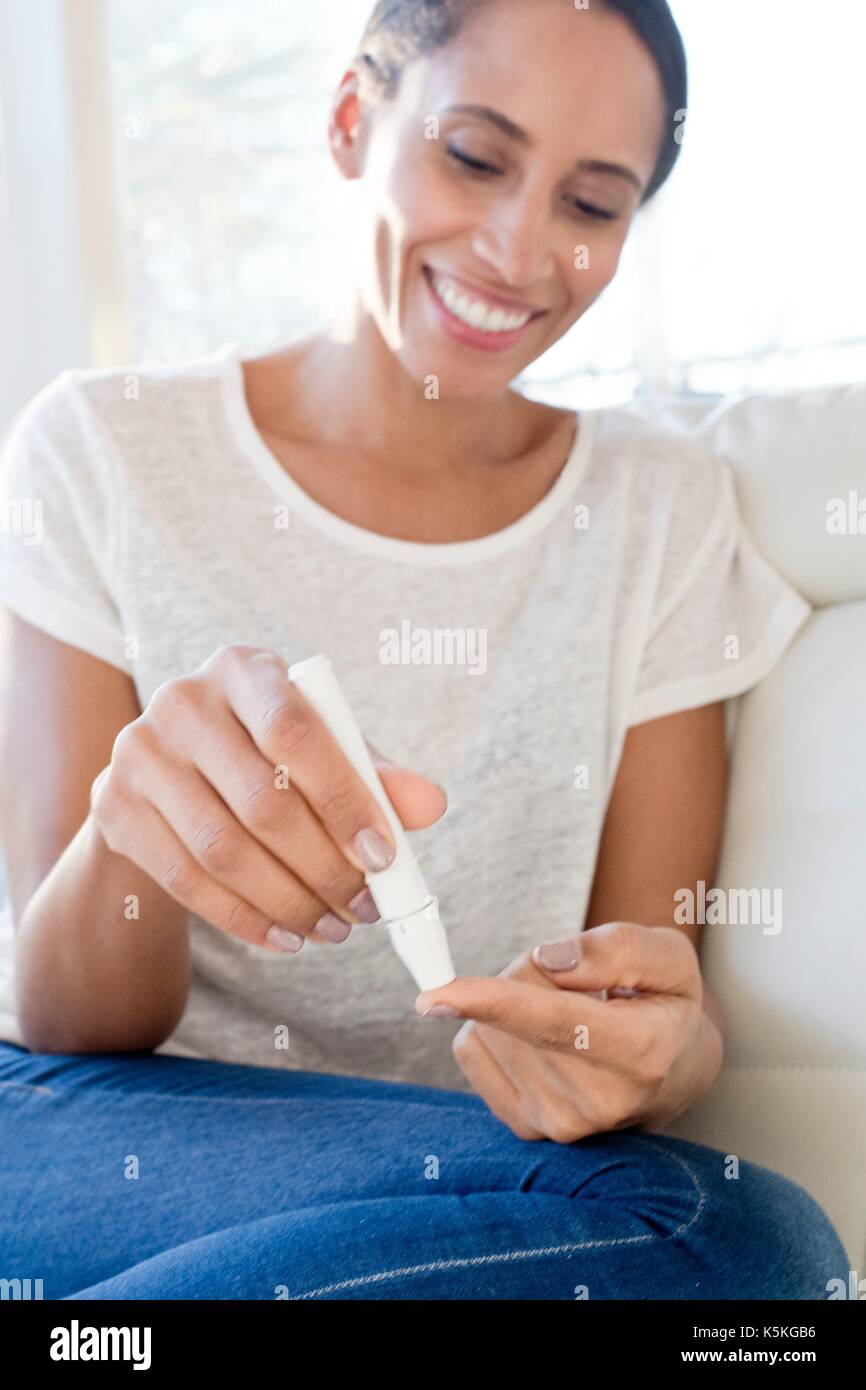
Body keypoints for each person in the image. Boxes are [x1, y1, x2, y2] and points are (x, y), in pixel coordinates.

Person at [0, 0, 847, 1299]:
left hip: (434, 1193)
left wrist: (662, 1058)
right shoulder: (102, 451)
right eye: (473, 155)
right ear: (352, 120)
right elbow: (69, 1023)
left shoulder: (656, 511)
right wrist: (137, 832)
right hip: (85, 1134)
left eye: (591, 202)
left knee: (740, 1231)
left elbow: (644, 990)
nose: (518, 248)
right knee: (731, 1250)